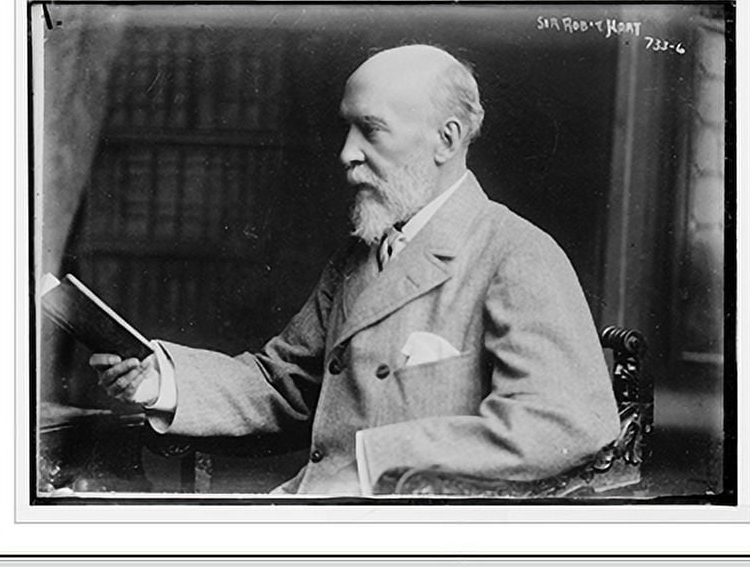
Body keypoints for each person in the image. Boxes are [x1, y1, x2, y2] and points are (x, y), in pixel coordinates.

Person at [91, 44, 620, 496]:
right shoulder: (357, 256)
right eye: (347, 129)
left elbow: (564, 422)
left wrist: (377, 461)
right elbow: (287, 383)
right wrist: (164, 382)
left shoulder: (516, 253)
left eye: (371, 130)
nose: (347, 154)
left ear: (447, 138)